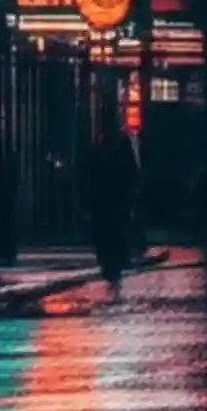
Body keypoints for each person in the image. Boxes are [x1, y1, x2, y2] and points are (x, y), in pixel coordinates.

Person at [88, 100, 139, 287]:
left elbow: (92, 174)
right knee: (113, 232)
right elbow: (131, 171)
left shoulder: (103, 145)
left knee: (110, 232)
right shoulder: (116, 144)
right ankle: (114, 262)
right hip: (112, 200)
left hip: (109, 200)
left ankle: (112, 262)